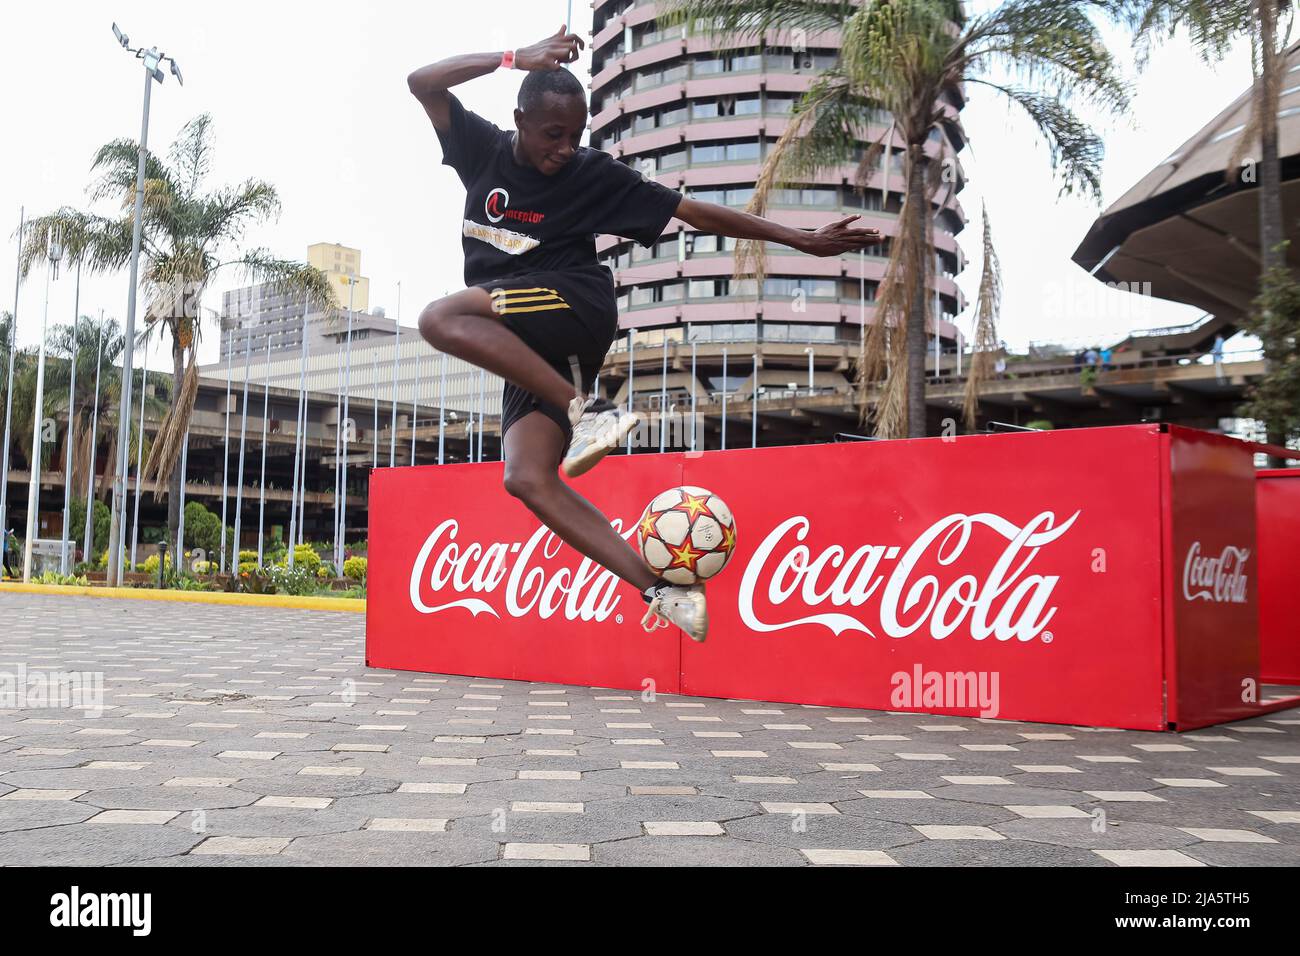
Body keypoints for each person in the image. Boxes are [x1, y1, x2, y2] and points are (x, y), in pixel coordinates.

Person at [407, 27, 878, 642]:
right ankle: (664, 591)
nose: (564, 149)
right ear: (519, 120)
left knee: (440, 318)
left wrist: (801, 240)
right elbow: (422, 82)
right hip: (532, 344)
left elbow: (693, 212)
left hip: (573, 303)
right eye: (553, 135)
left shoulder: (590, 175)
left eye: (575, 135)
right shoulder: (481, 150)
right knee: (526, 478)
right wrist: (511, 58)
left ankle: (588, 412)